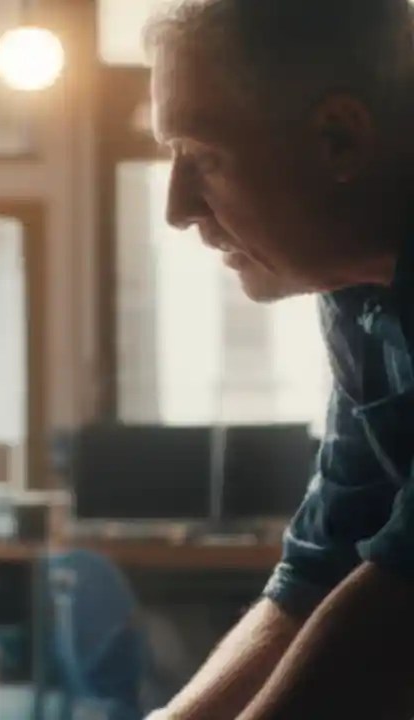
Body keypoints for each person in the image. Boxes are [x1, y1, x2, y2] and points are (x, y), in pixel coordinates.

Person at [144, 0, 414, 717]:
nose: (176, 207)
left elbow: (401, 596)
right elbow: (323, 566)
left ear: (338, 140)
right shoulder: (357, 290)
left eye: (202, 156)